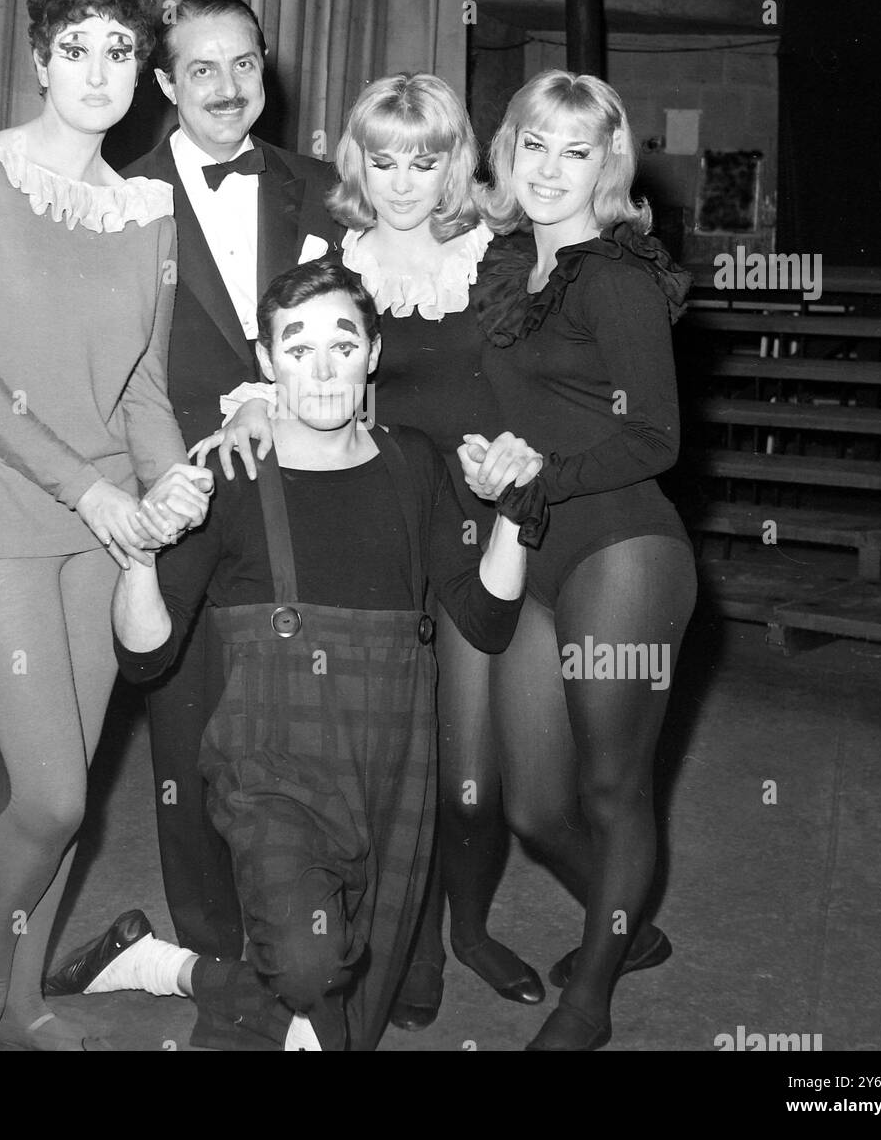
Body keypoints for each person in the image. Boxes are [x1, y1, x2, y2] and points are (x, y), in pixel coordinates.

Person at [44, 259, 536, 1050]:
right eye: (296, 347)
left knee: (335, 1027)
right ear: (268, 364)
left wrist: (516, 512)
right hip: (272, 765)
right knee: (310, 972)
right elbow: (144, 657)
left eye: (343, 342)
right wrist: (138, 555)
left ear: (372, 353)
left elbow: (484, 618)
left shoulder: (413, 462)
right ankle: (194, 975)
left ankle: (164, 965)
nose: (322, 366)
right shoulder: (230, 473)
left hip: (394, 770)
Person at [0, 0, 212, 1051]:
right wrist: (90, 492)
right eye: (75, 46)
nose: (97, 68)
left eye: (120, 50)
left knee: (70, 789)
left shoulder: (146, 213)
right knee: (50, 795)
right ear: (40, 58)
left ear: (144, 71)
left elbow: (141, 383)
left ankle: (28, 995)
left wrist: (170, 485)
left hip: (107, 532)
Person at [207, 74, 545, 1027]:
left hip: (481, 513)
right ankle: (411, 959)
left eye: (426, 160)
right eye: (385, 160)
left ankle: (457, 931)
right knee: (406, 754)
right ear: (358, 161)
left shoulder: (500, 255)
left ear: (456, 163)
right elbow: (292, 344)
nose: (403, 182)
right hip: (385, 514)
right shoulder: (334, 248)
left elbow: (552, 369)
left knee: (467, 775)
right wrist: (250, 404)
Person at [466, 68, 696, 1050]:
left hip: (621, 550)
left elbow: (655, 438)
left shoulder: (616, 276)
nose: (551, 168)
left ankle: (589, 1001)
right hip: (532, 547)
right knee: (533, 807)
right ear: (508, 152)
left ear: (608, 165)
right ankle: (626, 922)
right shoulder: (503, 265)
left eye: (577, 149)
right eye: (534, 144)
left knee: (611, 788)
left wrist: (541, 473)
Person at [120, 0, 339, 962]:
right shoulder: (121, 199)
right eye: (199, 69)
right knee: (191, 730)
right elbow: (116, 371)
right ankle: (212, 951)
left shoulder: (324, 187)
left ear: (266, 70)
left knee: (306, 728)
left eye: (242, 64)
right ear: (165, 84)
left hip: (309, 495)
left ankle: (312, 937)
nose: (225, 86)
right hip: (190, 494)